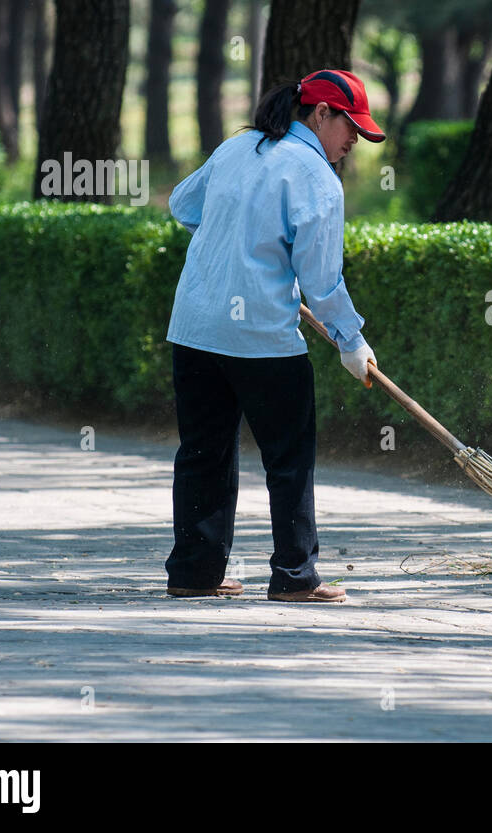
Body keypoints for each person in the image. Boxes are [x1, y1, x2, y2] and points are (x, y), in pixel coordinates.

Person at [162, 68, 384, 604]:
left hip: (195, 327)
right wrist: (350, 340)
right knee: (288, 459)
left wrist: (234, 243)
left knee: (202, 452)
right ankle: (294, 577)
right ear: (321, 114)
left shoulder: (239, 147)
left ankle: (194, 573)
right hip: (261, 339)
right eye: (350, 126)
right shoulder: (314, 176)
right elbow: (322, 280)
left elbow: (182, 207)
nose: (354, 140)